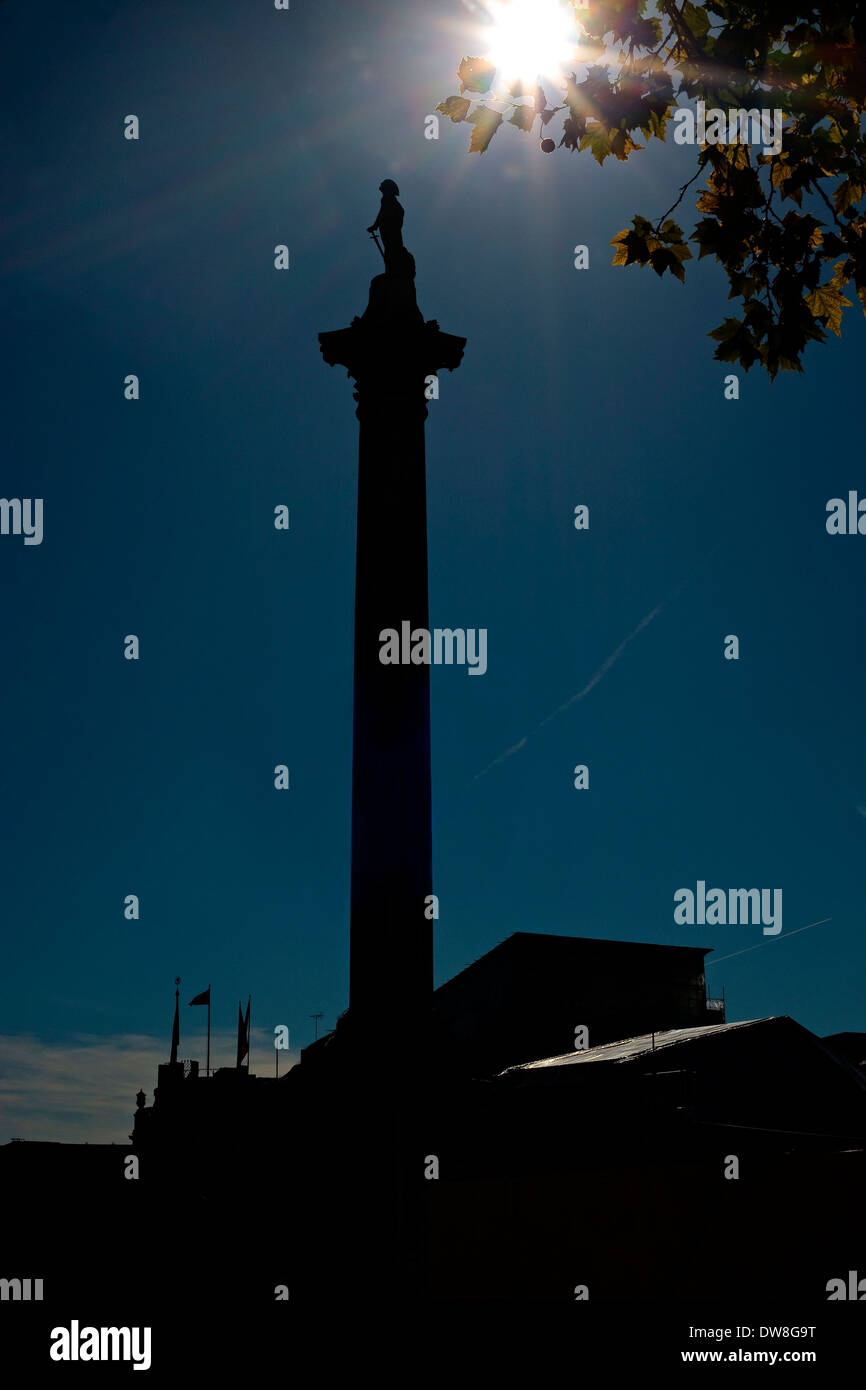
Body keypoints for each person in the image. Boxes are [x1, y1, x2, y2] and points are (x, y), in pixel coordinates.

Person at [367, 179, 405, 271]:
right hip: (386, 228)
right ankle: (391, 268)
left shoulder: (392, 203)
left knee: (392, 248)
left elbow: (395, 214)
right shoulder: (385, 200)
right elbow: (381, 213)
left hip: (391, 229)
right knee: (388, 248)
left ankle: (395, 268)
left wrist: (376, 225)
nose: (381, 191)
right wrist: (375, 226)